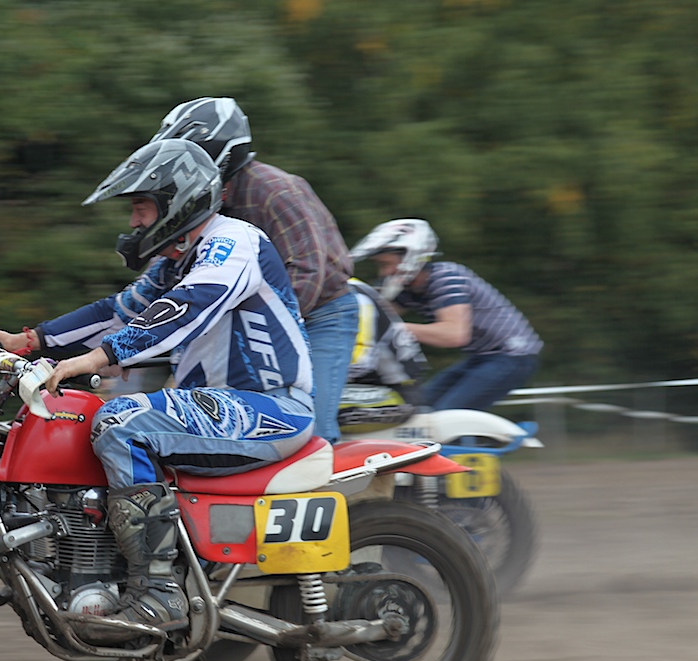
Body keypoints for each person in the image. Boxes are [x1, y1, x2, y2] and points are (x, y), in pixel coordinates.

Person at [0, 139, 314, 642]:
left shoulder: (233, 243)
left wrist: (97, 358)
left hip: (271, 408)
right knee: (84, 425)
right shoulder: (173, 262)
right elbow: (114, 312)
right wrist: (29, 341)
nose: (135, 221)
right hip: (219, 410)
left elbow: (186, 308)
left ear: (176, 203)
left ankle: (159, 593)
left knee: (120, 423)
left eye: (142, 206)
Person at [149, 97, 357, 443]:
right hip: (239, 319)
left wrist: (236, 327)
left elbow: (307, 271)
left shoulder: (273, 191)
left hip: (322, 314)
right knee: (213, 421)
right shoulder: (202, 198)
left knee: (307, 427)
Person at [349, 219, 542, 411]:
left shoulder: (446, 277)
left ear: (410, 257)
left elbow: (454, 334)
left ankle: (472, 441)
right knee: (420, 412)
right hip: (481, 357)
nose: (384, 272)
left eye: (386, 264)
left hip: (512, 356)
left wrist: (394, 328)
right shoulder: (408, 288)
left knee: (447, 416)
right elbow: (374, 316)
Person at [337, 277, 427, 432]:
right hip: (362, 386)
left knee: (314, 408)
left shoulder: (354, 297)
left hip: (394, 394)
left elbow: (359, 361)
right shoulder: (337, 289)